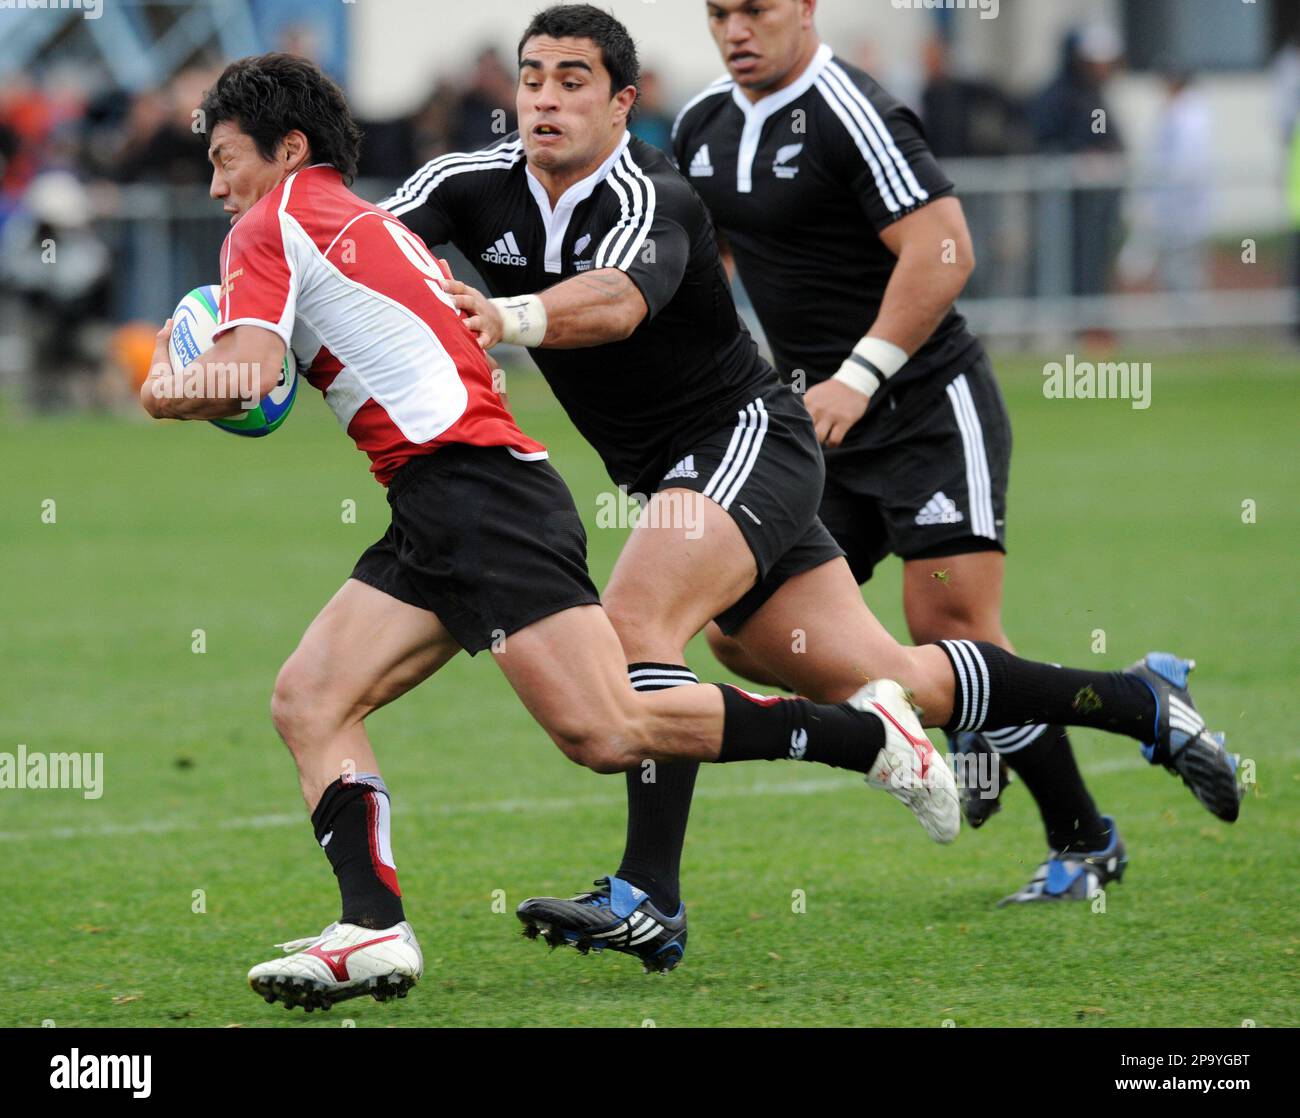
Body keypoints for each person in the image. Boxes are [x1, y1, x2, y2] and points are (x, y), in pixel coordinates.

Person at [382, 4, 1243, 972]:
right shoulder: (672, 132)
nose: (544, 97)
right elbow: (361, 247)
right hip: (766, 430)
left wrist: (508, 315)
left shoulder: (737, 153)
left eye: (571, 80)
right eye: (531, 78)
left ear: (622, 102)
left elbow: (923, 251)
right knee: (879, 670)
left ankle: (650, 896)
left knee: (650, 630)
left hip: (845, 413)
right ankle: (1139, 700)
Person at [139, 52, 966, 1011]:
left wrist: (160, 381)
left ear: (286, 151)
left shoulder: (269, 222)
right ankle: (371, 930)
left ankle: (861, 737)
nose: (215, 185)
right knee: (311, 698)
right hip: (440, 497)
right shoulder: (360, 221)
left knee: (608, 731)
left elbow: (246, 380)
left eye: (226, 159)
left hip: (479, 497)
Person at [673, 0, 1140, 906]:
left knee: (951, 630)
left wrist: (860, 372)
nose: (736, 29)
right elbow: (706, 260)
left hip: (927, 405)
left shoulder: (854, 109)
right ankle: (959, 714)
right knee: (742, 629)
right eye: (719, 12)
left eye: (757, 9)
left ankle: (1085, 839)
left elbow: (945, 245)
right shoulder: (701, 123)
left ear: (805, 9)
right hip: (816, 427)